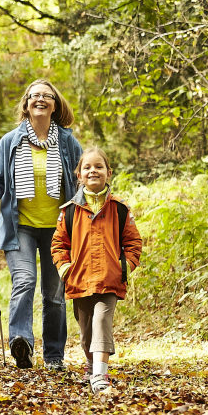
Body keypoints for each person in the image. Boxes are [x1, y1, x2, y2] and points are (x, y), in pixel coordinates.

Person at [0, 79, 83, 371]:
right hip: (21, 226)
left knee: (55, 294)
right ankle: (22, 343)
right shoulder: (10, 141)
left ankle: (54, 356)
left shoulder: (68, 141)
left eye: (47, 96)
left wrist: (87, 212)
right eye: (35, 96)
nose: (40, 100)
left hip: (59, 228)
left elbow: (82, 181)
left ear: (55, 105)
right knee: (25, 280)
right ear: (26, 103)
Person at [51, 146, 143, 393]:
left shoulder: (119, 208)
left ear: (108, 172)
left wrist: (124, 267)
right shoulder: (69, 210)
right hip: (79, 280)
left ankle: (100, 376)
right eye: (87, 167)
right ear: (78, 175)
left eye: (99, 166)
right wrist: (66, 270)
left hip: (109, 279)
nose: (93, 171)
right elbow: (58, 245)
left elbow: (133, 242)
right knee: (86, 332)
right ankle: (92, 367)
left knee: (102, 320)